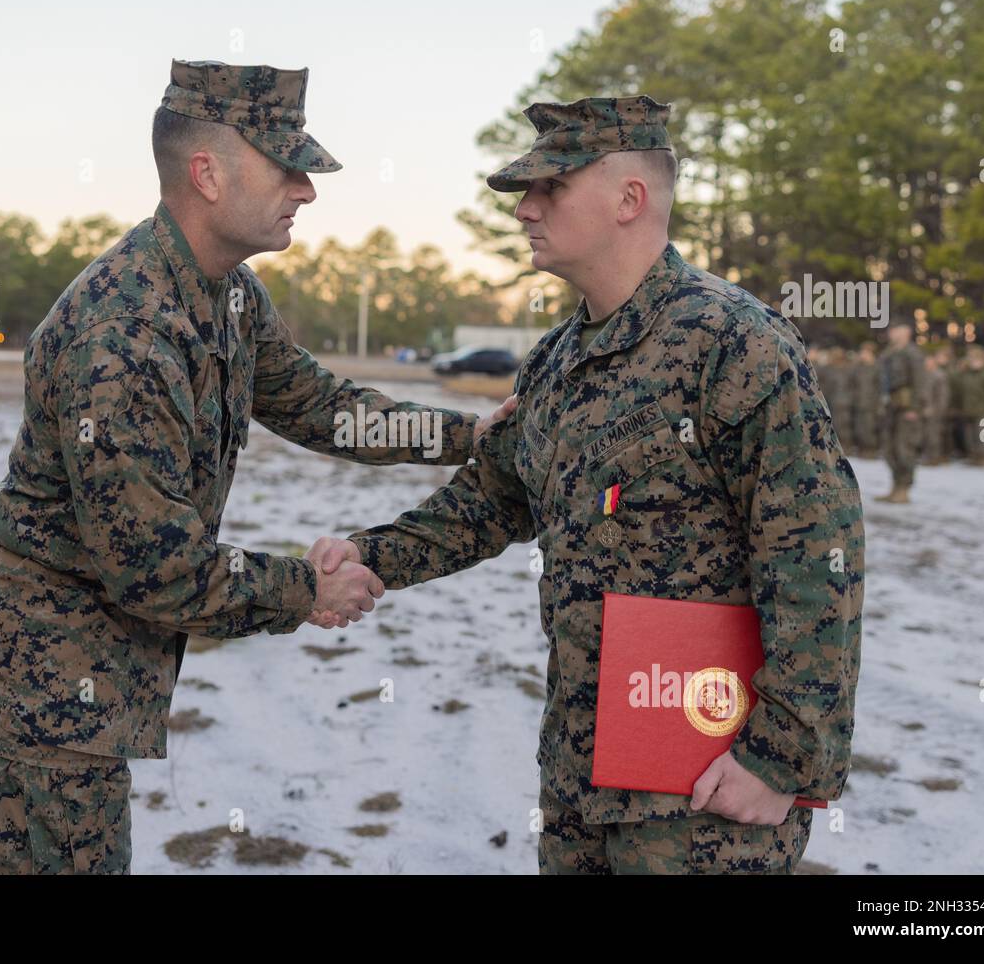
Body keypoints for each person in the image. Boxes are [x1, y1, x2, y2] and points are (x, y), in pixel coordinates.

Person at [0, 59, 515, 875]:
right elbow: (155, 572)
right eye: (287, 168)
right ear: (207, 174)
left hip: (84, 668)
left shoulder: (228, 292)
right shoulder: (123, 334)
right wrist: (310, 591)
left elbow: (316, 402)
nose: (306, 190)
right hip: (37, 669)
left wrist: (465, 434)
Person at [312, 95, 864, 874]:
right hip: (582, 764)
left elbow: (819, 560)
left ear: (629, 200)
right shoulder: (553, 360)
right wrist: (372, 556)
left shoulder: (734, 344)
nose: (525, 211)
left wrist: (781, 760)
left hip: (705, 782)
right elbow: (492, 500)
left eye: (550, 189)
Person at [875, 323, 925, 503]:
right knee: (889, 449)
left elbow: (920, 383)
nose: (892, 333)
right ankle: (895, 486)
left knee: (904, 449)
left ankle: (904, 489)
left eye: (896, 330)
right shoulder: (888, 354)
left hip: (906, 408)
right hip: (890, 407)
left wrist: (915, 408)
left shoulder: (912, 354)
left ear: (906, 333)